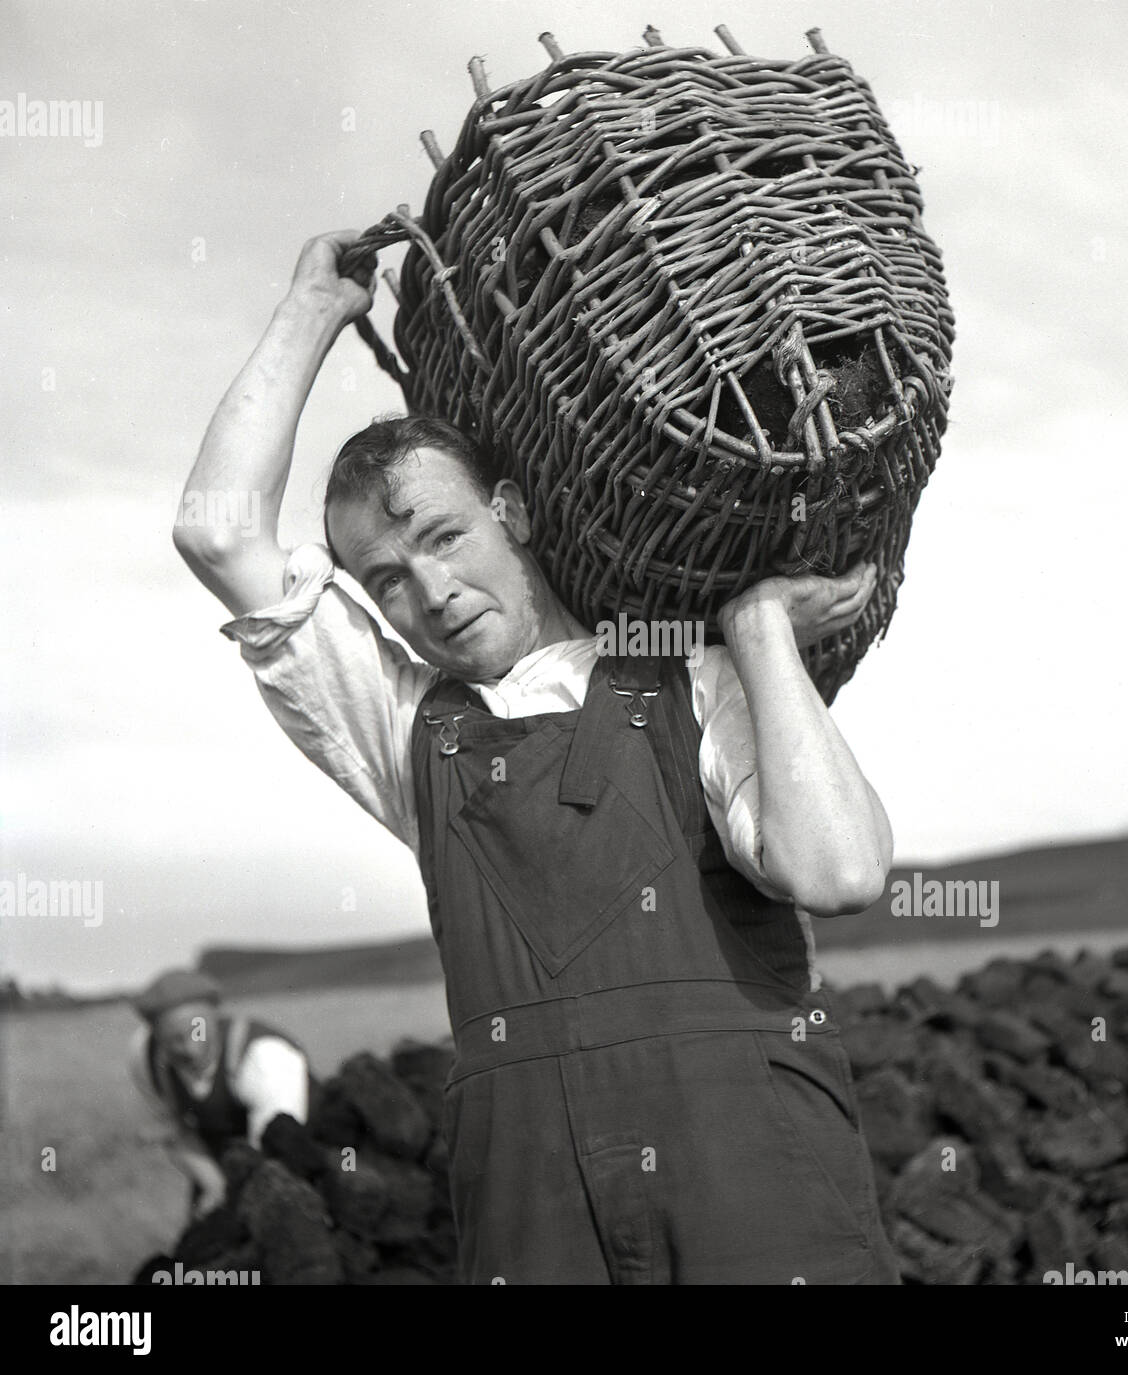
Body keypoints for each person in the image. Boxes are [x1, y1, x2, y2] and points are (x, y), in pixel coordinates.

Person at [172, 229, 900, 1284]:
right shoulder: (409, 726)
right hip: (532, 1205)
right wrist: (312, 312)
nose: (427, 592)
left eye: (442, 536)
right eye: (384, 579)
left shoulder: (694, 678)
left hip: (757, 1179)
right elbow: (215, 532)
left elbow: (839, 871)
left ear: (509, 511)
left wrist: (756, 633)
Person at [129, 969, 311, 1219]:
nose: (190, 1050)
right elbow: (173, 1130)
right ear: (155, 1034)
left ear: (215, 1017)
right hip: (217, 1169)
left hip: (293, 1165)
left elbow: (278, 1152)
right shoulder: (145, 1058)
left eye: (197, 1032)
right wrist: (216, 1188)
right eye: (174, 1040)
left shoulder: (264, 1057)